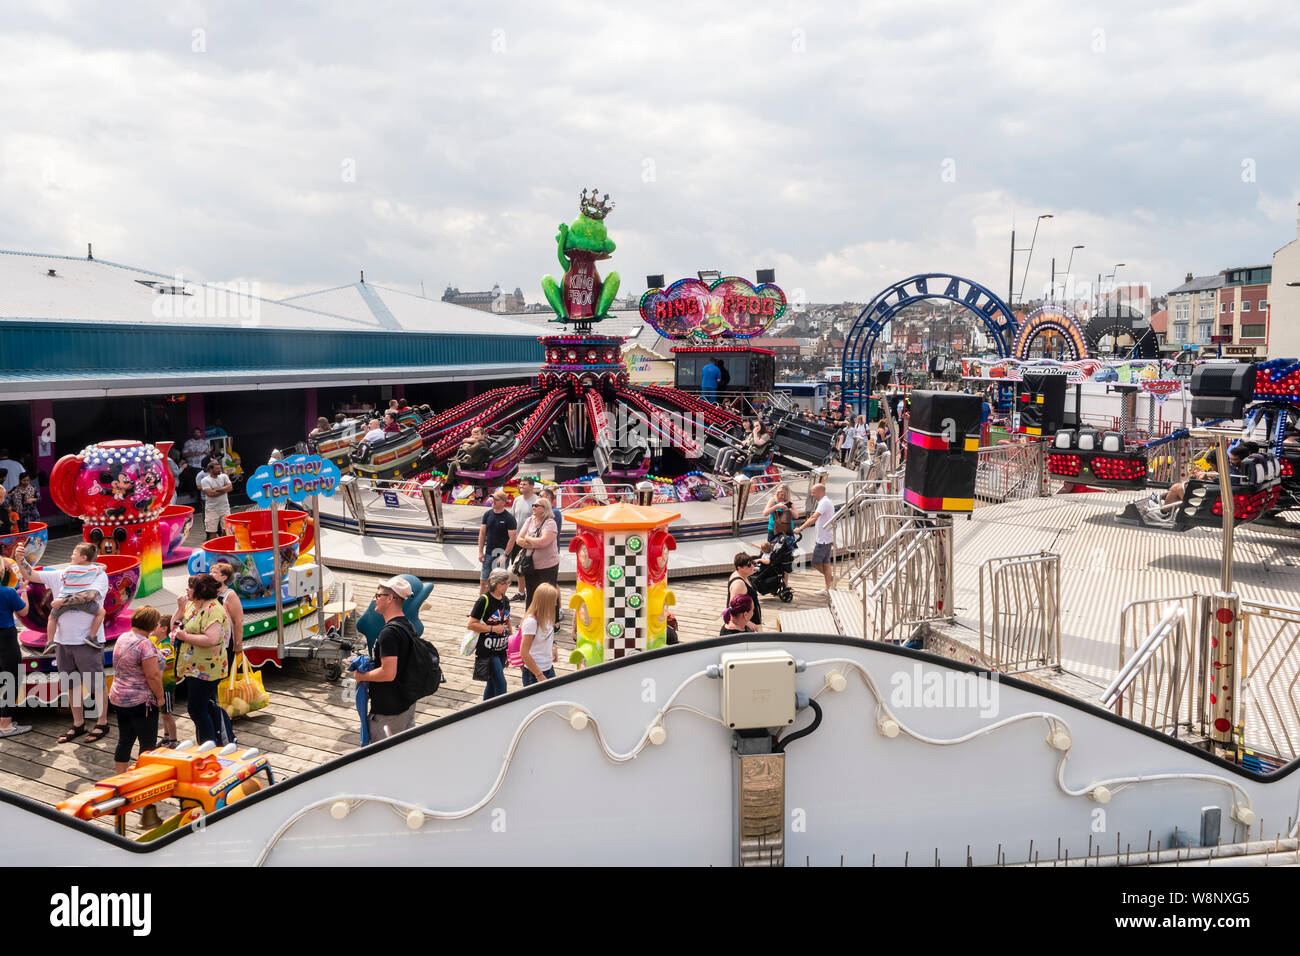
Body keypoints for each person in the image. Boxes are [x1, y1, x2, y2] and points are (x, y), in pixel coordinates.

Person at [25, 543, 111, 743]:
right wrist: (21, 559)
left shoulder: (99, 575)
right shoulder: (63, 573)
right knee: (70, 684)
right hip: (64, 641)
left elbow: (90, 596)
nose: (71, 554)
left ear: (83, 557)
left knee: (95, 684)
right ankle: (78, 723)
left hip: (86, 641)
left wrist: (62, 602)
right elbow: (31, 576)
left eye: (74, 552)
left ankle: (102, 722)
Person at [352, 576, 420, 740]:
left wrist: (362, 676)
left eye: (377, 595)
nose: (374, 600)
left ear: (390, 599)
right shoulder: (408, 625)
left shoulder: (388, 633)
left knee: (382, 758)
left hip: (389, 713)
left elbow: (388, 673)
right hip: (406, 704)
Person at [173, 572, 231, 746]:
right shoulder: (192, 605)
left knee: (196, 709)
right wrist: (179, 609)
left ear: (200, 590)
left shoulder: (213, 609)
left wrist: (185, 637)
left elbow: (211, 639)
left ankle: (209, 743)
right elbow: (175, 627)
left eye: (190, 587)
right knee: (203, 706)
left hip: (207, 668)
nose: (186, 589)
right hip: (192, 666)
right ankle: (210, 740)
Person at [109, 606, 164, 776]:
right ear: (152, 625)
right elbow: (153, 675)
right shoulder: (145, 645)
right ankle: (144, 779)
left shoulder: (123, 637)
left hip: (119, 697)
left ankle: (120, 777)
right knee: (147, 744)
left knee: (125, 739)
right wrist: (160, 697)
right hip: (141, 701)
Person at [1155, 441, 1257, 511]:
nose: (1232, 462)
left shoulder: (1230, 474)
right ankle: (1164, 506)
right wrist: (1206, 476)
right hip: (1219, 498)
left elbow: (1216, 484)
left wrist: (1201, 478)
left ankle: (1163, 510)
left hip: (1212, 503)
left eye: (1212, 466)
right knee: (1177, 490)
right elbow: (1218, 480)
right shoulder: (1236, 472)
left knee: (1177, 487)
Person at [468, 568, 511, 700]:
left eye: (508, 583)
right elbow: (471, 624)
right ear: (497, 584)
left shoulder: (505, 600)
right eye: (506, 583)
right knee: (501, 684)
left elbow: (507, 622)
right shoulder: (483, 600)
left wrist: (510, 647)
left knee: (492, 683)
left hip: (502, 648)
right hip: (487, 650)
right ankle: (500, 712)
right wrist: (493, 629)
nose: (508, 586)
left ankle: (485, 710)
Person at [45, 559, 107, 649]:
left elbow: (61, 577)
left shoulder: (67, 570)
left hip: (63, 599)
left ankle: (50, 642)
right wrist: (91, 564)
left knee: (52, 618)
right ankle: (92, 637)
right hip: (81, 601)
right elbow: (104, 567)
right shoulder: (92, 570)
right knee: (101, 612)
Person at [517, 498, 559, 613]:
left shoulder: (550, 523)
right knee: (530, 593)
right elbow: (518, 540)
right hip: (530, 565)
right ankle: (529, 619)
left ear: (544, 509)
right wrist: (533, 542)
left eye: (537, 505)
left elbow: (543, 542)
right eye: (533, 505)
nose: (533, 507)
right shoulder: (529, 520)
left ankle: (553, 621)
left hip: (547, 566)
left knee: (548, 594)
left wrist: (528, 538)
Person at [0, 578, 30, 737]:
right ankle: (5, 724)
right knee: (13, 679)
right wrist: (24, 590)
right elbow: (23, 611)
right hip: (5, 637)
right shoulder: (7, 592)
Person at [519, 582, 560, 686]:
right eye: (553, 601)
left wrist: (554, 646)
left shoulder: (547, 616)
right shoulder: (531, 622)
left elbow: (549, 635)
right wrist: (539, 675)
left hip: (548, 667)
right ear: (545, 602)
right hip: (534, 673)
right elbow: (524, 652)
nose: (555, 604)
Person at [797, 483, 835, 593]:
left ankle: (831, 579)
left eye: (813, 492)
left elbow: (814, 517)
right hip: (825, 538)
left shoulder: (824, 503)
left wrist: (801, 528)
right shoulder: (823, 502)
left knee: (815, 563)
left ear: (820, 491)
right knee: (826, 563)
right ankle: (828, 587)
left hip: (824, 540)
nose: (812, 494)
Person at [477, 491, 518, 596]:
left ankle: (499, 606)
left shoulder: (509, 518)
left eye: (496, 499)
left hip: (501, 555)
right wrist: (480, 552)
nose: (493, 501)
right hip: (488, 553)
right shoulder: (487, 514)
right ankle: (481, 605)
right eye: (493, 499)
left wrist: (505, 555)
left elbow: (512, 538)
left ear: (504, 502)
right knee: (484, 581)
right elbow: (482, 534)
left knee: (500, 584)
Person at [148, 615, 179, 748]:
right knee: (163, 713)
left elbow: (170, 665)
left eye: (156, 624)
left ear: (163, 628)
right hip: (160, 685)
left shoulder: (166, 644)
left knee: (167, 714)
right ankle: (166, 737)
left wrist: (152, 667)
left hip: (166, 685)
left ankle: (173, 740)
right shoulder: (156, 641)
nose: (153, 626)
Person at [198, 458, 232, 540]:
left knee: (227, 530)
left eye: (219, 468)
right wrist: (224, 489)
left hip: (225, 508)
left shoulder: (224, 476)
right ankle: (213, 548)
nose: (219, 470)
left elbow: (230, 488)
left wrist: (217, 489)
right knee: (212, 532)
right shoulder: (205, 480)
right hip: (212, 510)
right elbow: (210, 494)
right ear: (210, 470)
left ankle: (225, 546)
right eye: (217, 469)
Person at [726, 552, 763, 628]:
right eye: (749, 565)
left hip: (752, 619)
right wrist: (748, 623)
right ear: (740, 568)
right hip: (746, 625)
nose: (752, 566)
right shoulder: (738, 584)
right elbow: (732, 608)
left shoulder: (745, 575)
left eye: (752, 563)